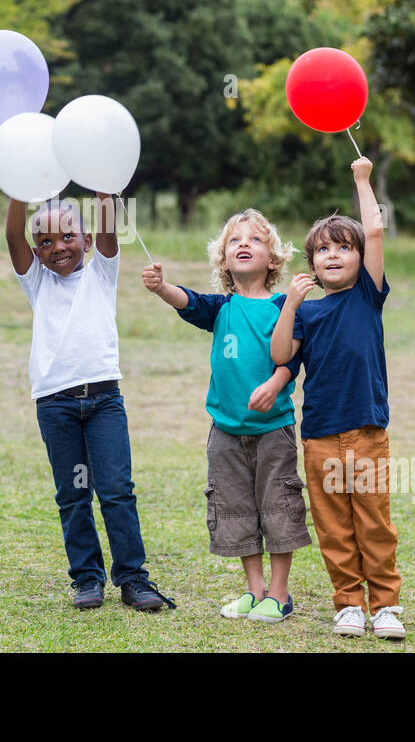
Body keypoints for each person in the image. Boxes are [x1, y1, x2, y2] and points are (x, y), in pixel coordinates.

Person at [6, 193, 174, 612]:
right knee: (74, 493)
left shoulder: (102, 270)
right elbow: (12, 233)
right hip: (56, 405)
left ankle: (133, 579)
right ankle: (86, 578)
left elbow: (108, 225)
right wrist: (18, 190)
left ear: (85, 238)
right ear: (36, 252)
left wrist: (103, 185)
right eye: (43, 242)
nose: (57, 247)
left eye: (67, 236)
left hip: (103, 403)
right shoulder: (38, 281)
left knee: (117, 491)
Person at [143, 209, 311, 623]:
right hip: (225, 433)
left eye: (254, 239)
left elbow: (294, 355)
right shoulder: (222, 308)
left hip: (274, 431)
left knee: (277, 506)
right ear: (223, 259)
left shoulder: (282, 306)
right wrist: (162, 286)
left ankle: (280, 594)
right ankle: (254, 592)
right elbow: (190, 302)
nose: (243, 245)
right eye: (234, 241)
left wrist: (275, 384)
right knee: (234, 509)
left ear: (273, 259)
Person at [270, 156, 405, 639]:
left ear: (357, 258)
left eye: (342, 249)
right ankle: (348, 602)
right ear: (311, 264)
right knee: (334, 526)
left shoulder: (368, 294)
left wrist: (362, 181)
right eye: (322, 251)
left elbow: (375, 230)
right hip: (321, 436)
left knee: (374, 523)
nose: (332, 256)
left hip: (367, 431)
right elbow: (281, 353)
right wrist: (290, 303)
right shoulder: (308, 313)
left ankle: (385, 605)